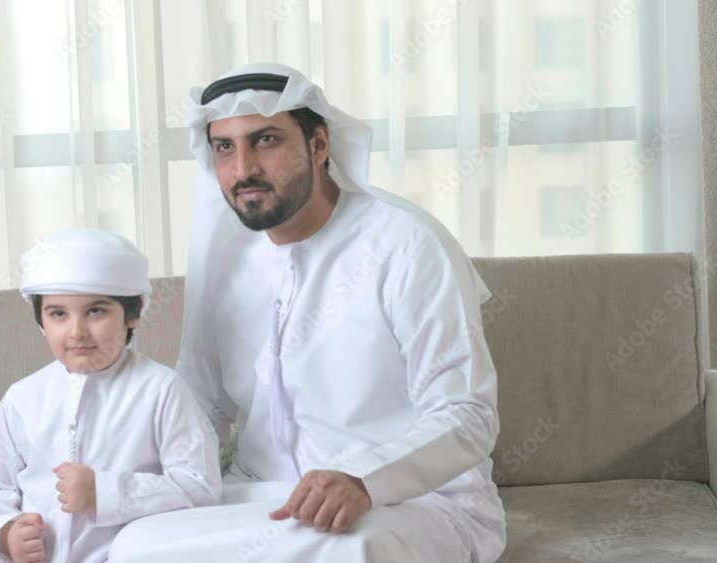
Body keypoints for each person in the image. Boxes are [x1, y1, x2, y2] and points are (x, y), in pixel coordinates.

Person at [109, 63, 505, 562]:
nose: (242, 168)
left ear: (319, 146)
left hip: (408, 503)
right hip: (260, 497)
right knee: (134, 546)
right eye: (224, 147)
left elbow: (466, 414)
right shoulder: (228, 263)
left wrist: (364, 478)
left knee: (352, 550)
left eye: (266, 140)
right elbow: (201, 405)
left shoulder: (407, 246)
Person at [0, 229, 222, 563]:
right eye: (58, 314)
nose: (77, 332)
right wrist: (5, 531)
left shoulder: (162, 390)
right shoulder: (23, 398)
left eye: (96, 311)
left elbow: (200, 484)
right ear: (41, 321)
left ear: (132, 314)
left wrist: (106, 493)